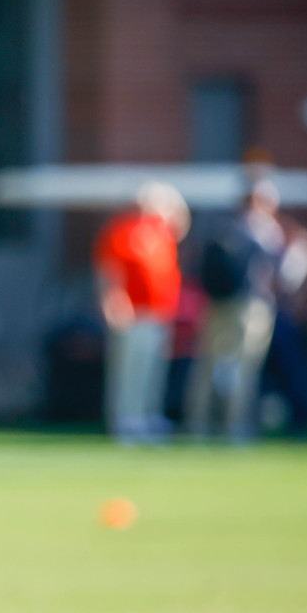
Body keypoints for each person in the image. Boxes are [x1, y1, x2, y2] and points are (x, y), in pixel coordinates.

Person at [187, 179, 286, 440]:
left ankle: (198, 423)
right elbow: (277, 273)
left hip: (216, 305)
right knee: (244, 367)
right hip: (249, 307)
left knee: (208, 365)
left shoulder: (223, 226)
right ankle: (235, 426)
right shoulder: (264, 231)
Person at [94, 182, 189, 442]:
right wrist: (112, 300)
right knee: (129, 368)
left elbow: (182, 223)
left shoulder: (162, 233)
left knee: (153, 369)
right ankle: (126, 418)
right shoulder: (122, 230)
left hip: (159, 312)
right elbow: (110, 270)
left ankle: (148, 415)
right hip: (133, 311)